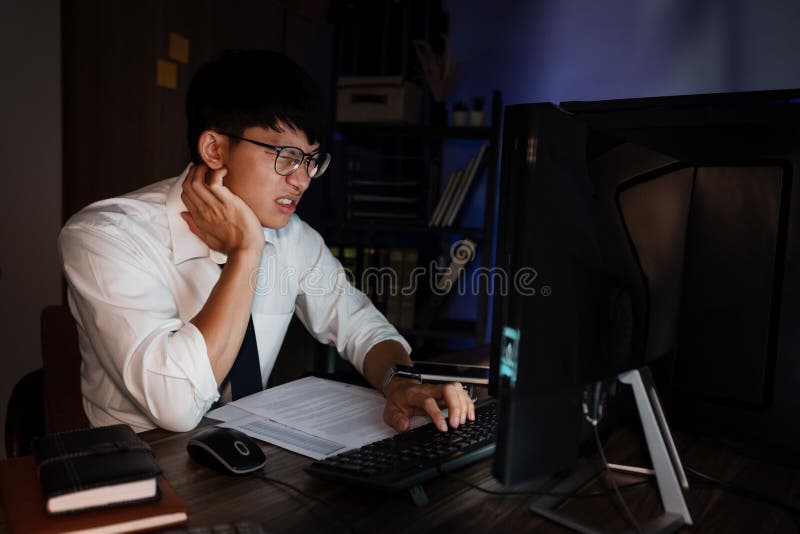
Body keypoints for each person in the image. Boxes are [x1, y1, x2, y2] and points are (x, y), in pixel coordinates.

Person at [59, 49, 474, 434]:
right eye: (286, 157)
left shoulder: (294, 237)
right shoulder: (105, 238)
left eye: (310, 159)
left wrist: (401, 383)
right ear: (215, 149)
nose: (303, 179)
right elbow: (176, 408)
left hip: (248, 457)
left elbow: (360, 326)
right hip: (141, 476)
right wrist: (247, 252)